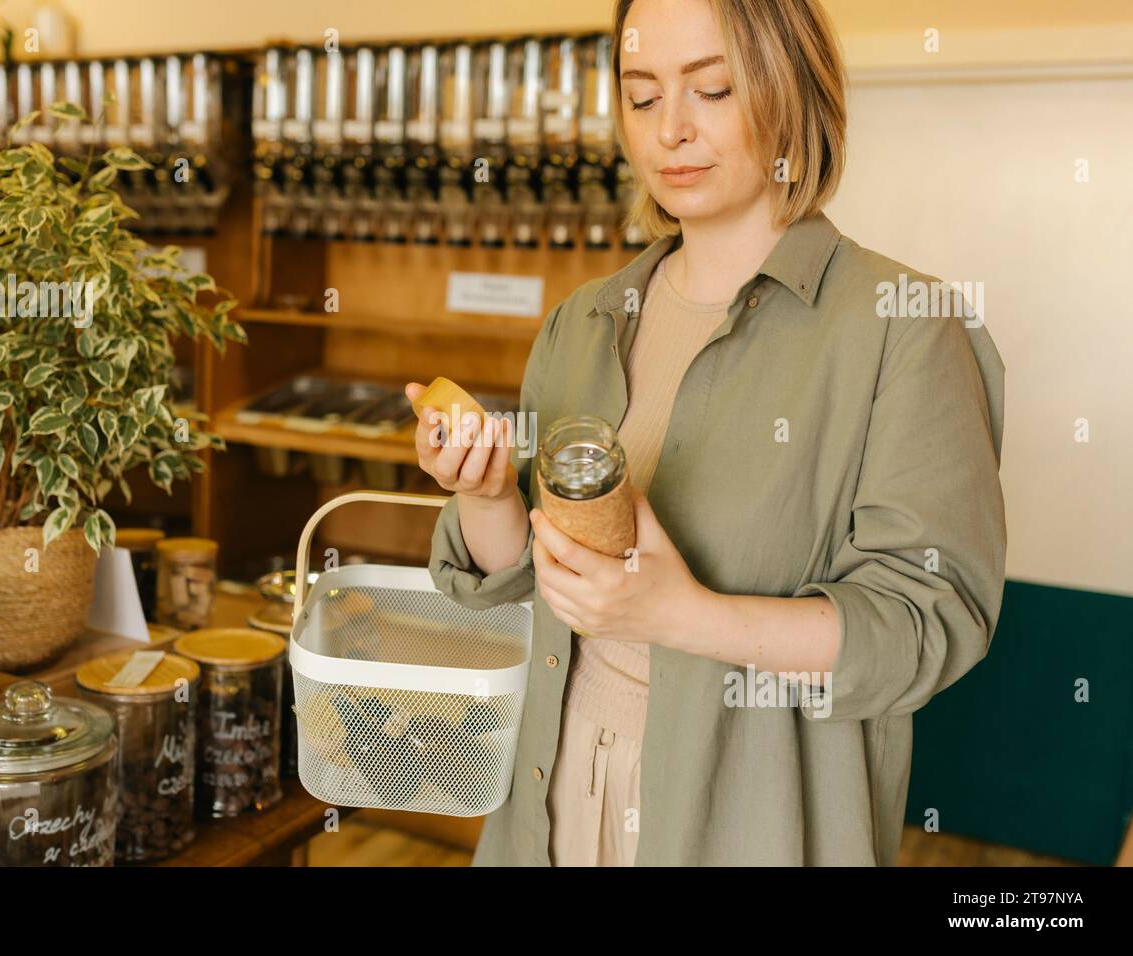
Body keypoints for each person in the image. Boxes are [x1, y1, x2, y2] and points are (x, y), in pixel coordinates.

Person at [405, 0, 1006, 866]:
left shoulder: (903, 327)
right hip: (548, 800)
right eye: (642, 98)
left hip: (749, 823)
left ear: (791, 92)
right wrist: (488, 492)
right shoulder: (584, 320)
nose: (671, 131)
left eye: (712, 90)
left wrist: (690, 617)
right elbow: (527, 590)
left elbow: (927, 625)